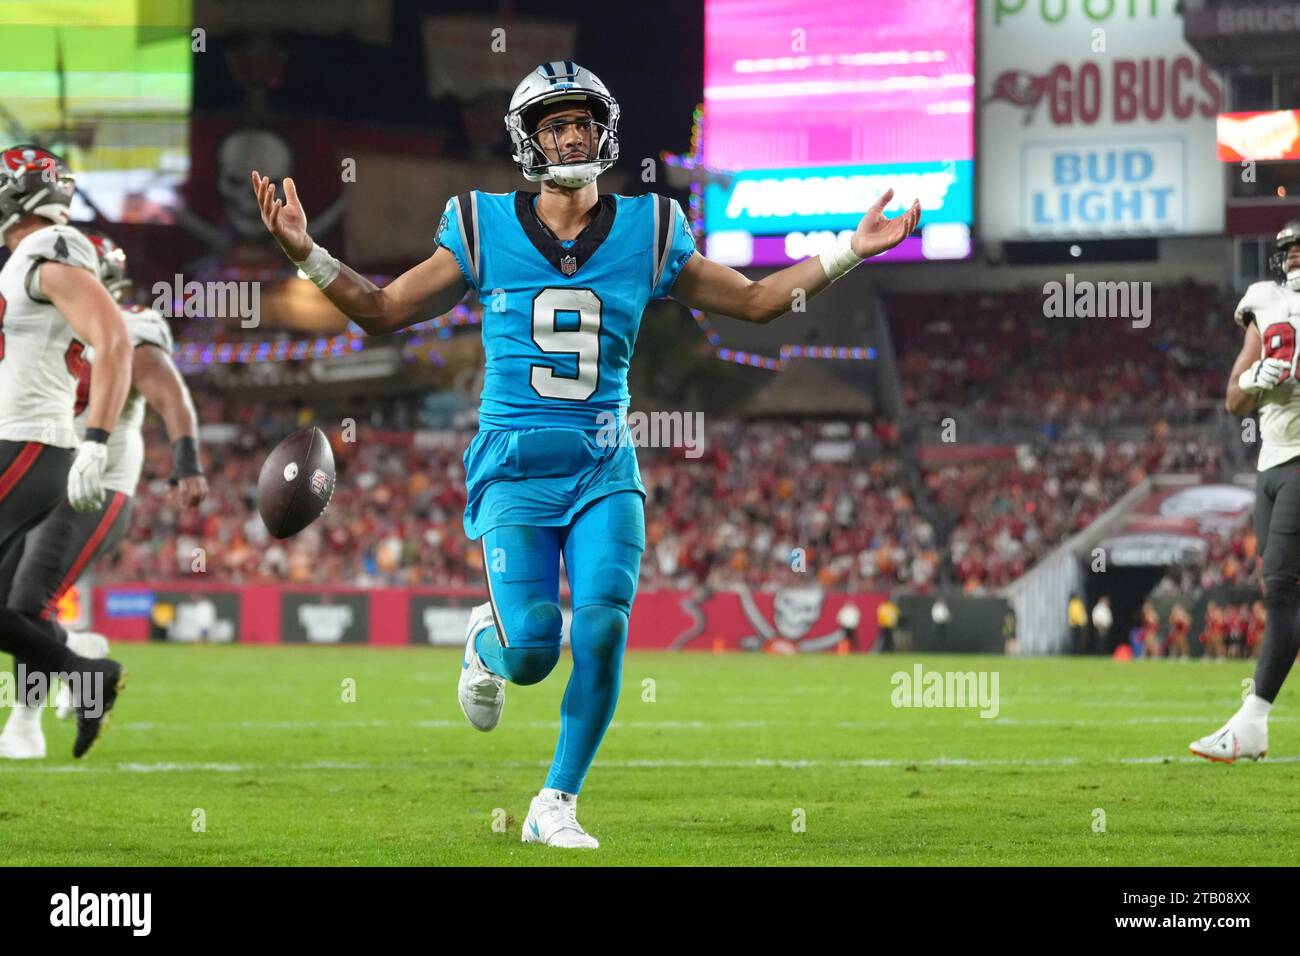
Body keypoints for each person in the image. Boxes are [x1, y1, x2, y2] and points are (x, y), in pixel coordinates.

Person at [251, 61, 921, 846]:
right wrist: (305, 253)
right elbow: (384, 310)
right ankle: (486, 643)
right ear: (526, 140)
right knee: (534, 649)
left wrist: (852, 248)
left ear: (604, 130)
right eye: (553, 123)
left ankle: (555, 802)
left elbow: (757, 301)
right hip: (512, 468)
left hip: (604, 465)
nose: (571, 134)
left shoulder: (649, 229)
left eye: (582, 120)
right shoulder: (482, 223)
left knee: (601, 628)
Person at [0, 231, 207, 758]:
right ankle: (80, 654)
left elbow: (172, 397)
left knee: (26, 601)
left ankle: (28, 719)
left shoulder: (125, 328)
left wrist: (185, 461)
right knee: (14, 604)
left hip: (100, 486)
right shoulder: (53, 326)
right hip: (51, 472)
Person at [0, 145, 132, 757]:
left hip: (30, 442)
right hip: (25, 440)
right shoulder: (28, 257)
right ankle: (87, 673)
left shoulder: (48, 248)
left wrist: (97, 441)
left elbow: (112, 339)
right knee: (7, 610)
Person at [1192, 218, 1300, 761]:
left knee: (1283, 587)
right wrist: (1255, 381)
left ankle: (1253, 721)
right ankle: (1254, 727)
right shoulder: (1265, 302)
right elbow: (1233, 399)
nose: (1296, 259)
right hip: (1271, 465)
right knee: (1279, 590)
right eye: (1291, 251)